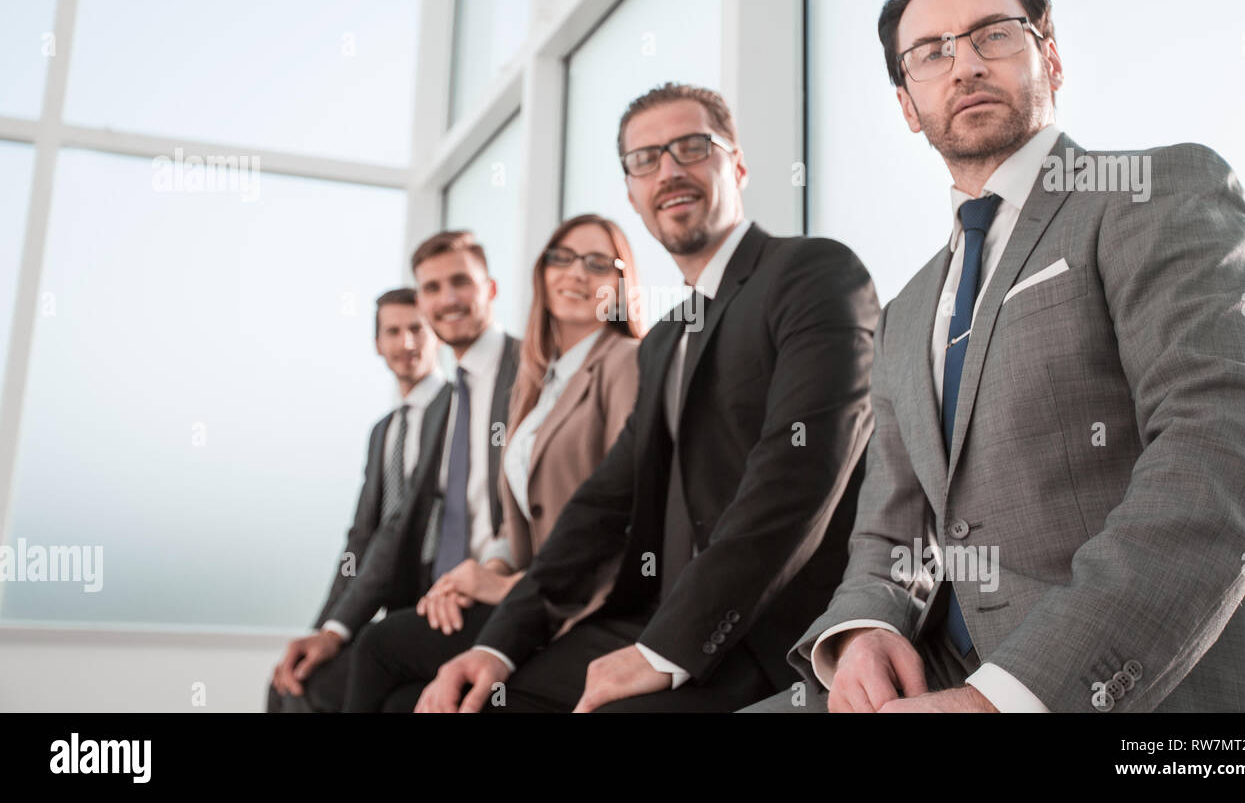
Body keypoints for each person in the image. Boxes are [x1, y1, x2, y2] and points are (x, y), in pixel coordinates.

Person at [757, 0, 1245, 713]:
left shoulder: (1155, 191)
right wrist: (864, 626)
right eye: (931, 53)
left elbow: (1225, 450)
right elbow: (889, 533)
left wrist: (1007, 697)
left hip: (1156, 683)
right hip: (939, 674)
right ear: (907, 105)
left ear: (1052, 58)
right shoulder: (907, 313)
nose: (966, 64)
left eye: (994, 35)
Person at [426, 82, 881, 713]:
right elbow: (601, 505)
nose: (669, 171)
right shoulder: (666, 338)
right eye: (645, 160)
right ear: (633, 194)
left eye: (692, 147)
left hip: (770, 631)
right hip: (661, 613)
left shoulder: (812, 274)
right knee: (477, 695)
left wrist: (666, 650)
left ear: (738, 165)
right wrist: (497, 647)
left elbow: (799, 474)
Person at [343, 214, 647, 711]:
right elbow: (521, 512)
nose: (575, 274)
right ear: (541, 273)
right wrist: (485, 570)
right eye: (561, 259)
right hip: (519, 588)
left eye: (597, 263)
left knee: (379, 650)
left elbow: (618, 514)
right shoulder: (542, 381)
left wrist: (505, 583)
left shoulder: (626, 362)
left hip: (572, 601)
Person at [271, 231, 521, 712]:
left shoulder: (520, 373)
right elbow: (383, 531)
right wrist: (329, 628)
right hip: (437, 599)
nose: (447, 300)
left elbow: (539, 506)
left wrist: (491, 572)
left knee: (374, 654)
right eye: (432, 288)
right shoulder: (441, 408)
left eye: (460, 282)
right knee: (295, 684)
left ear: (490, 289)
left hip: (494, 591)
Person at [267, 288, 442, 713]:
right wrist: (324, 628)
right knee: (285, 683)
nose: (406, 343)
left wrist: (337, 632)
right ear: (377, 344)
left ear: (435, 332)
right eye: (393, 332)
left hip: (434, 603)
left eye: (417, 329)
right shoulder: (383, 432)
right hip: (382, 608)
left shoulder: (455, 409)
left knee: (315, 688)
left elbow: (397, 532)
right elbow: (362, 538)